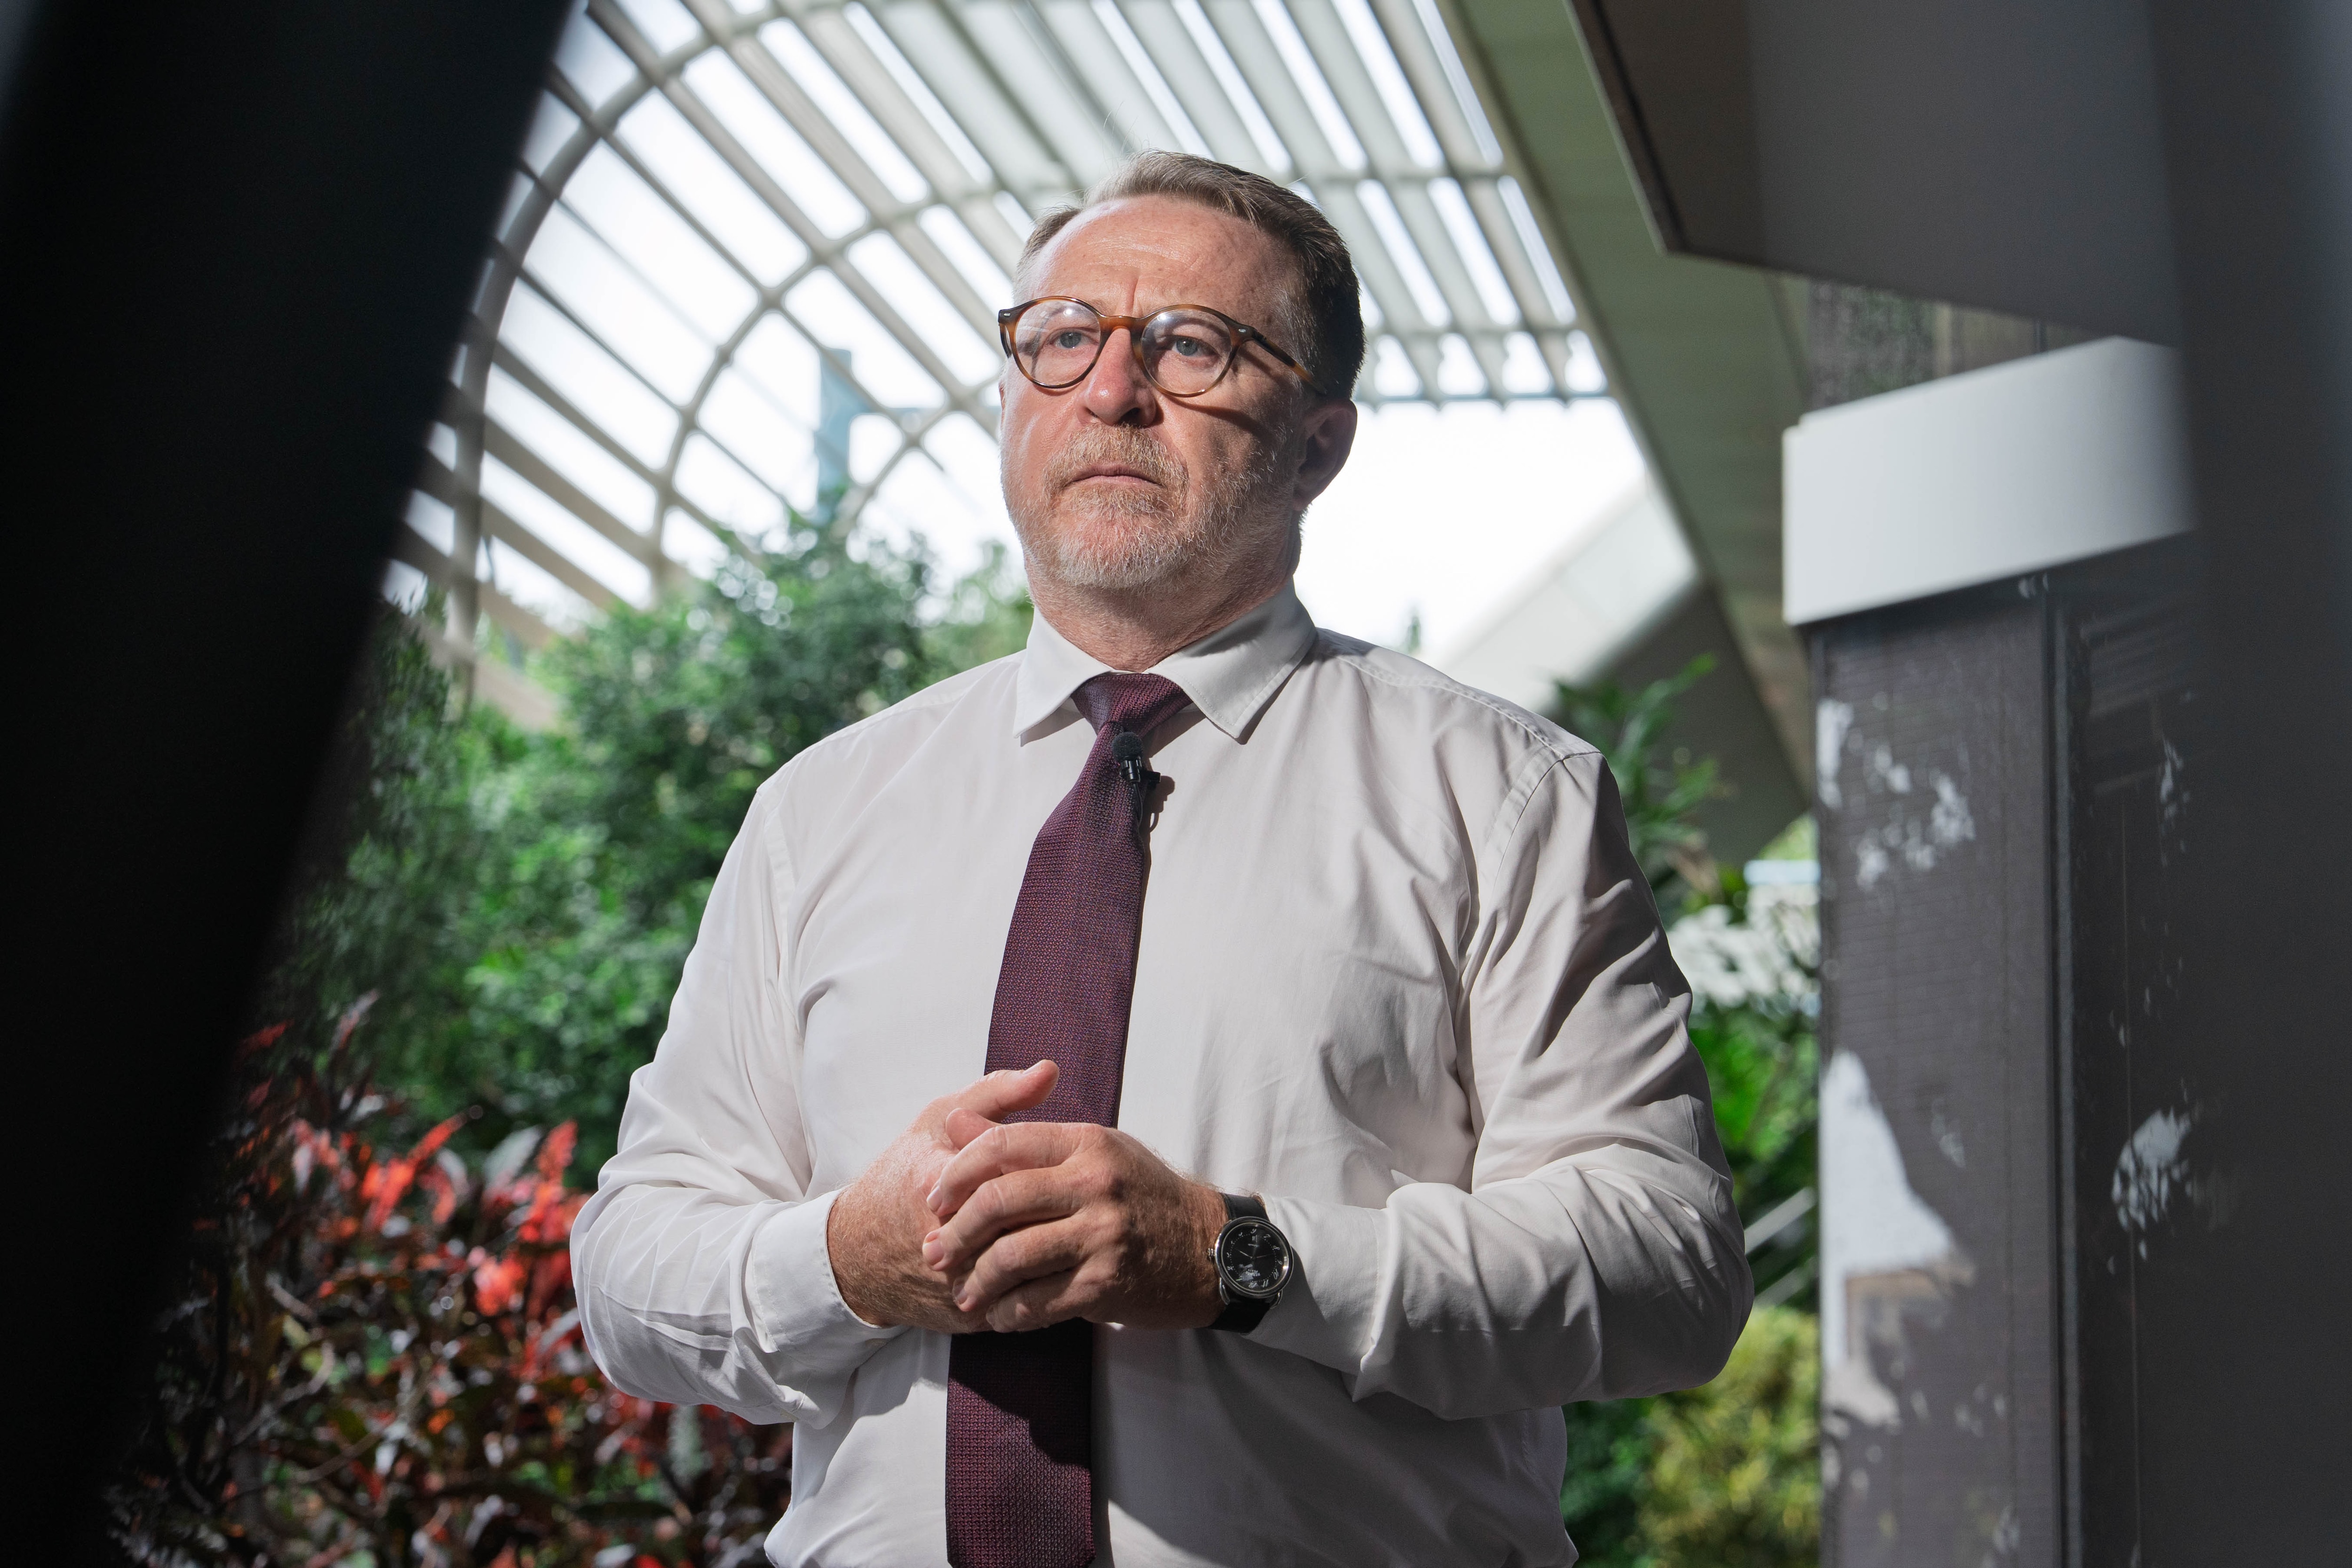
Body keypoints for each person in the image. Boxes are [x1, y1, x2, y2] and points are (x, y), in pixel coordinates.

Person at [572, 151, 1749, 1568]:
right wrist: (849, 1263)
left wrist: (1230, 1257)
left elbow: (1668, 1272)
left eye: (1193, 347)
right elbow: (632, 1279)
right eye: (1064, 336)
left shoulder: (1505, 803)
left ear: (1320, 443)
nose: (1112, 391)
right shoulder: (819, 814)